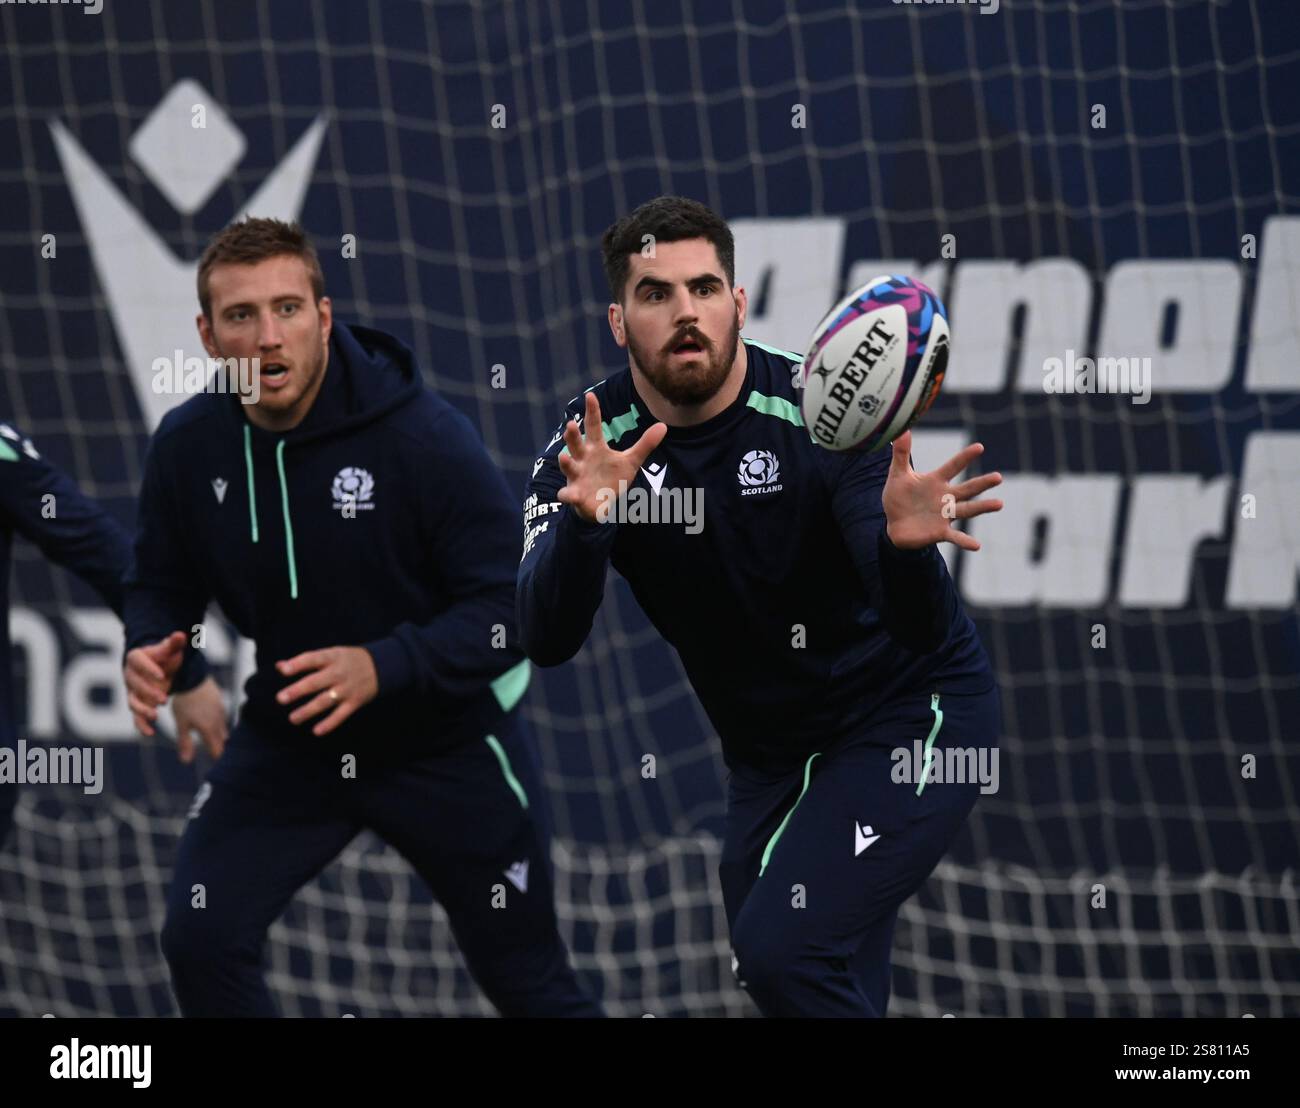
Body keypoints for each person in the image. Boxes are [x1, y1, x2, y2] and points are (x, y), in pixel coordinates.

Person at [517, 196, 1004, 1017]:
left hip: (909, 717)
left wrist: (905, 550)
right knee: (807, 982)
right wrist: (586, 526)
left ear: (738, 302)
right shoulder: (592, 446)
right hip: (772, 759)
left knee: (784, 951)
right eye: (655, 294)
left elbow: (916, 625)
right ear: (617, 320)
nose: (685, 313)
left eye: (704, 288)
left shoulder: (820, 414)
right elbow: (544, 636)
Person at [124, 217, 598, 1017]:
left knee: (531, 986)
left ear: (324, 316)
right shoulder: (187, 447)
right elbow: (159, 581)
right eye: (240, 316)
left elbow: (509, 611)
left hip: (446, 742)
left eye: (287, 309)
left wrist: (386, 664)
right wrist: (159, 651)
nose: (267, 337)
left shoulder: (424, 439)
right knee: (199, 940)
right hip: (295, 735)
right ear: (207, 335)